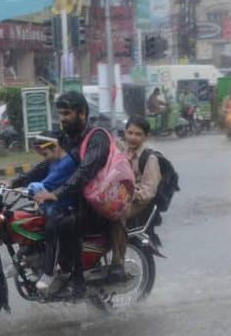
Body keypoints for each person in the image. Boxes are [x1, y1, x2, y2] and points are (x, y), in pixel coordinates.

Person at [25, 91, 114, 295]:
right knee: (32, 217)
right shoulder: (67, 138)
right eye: (60, 114)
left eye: (67, 114)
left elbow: (84, 172)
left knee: (60, 222)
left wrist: (56, 193)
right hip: (74, 199)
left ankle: (76, 278)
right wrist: (17, 181)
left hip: (95, 204)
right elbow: (47, 164)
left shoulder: (97, 138)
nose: (62, 119)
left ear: (82, 113)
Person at [21, 138, 79, 294]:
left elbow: (45, 184)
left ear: (56, 147)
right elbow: (33, 175)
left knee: (52, 227)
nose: (44, 158)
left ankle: (49, 272)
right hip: (51, 205)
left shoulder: (67, 163)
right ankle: (29, 259)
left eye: (45, 153)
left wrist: (28, 189)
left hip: (66, 207)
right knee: (26, 219)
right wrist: (13, 183)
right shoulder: (52, 161)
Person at [110, 117, 160, 273]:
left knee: (116, 215)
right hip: (116, 196)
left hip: (137, 201)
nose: (133, 137)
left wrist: (129, 194)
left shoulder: (150, 158)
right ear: (125, 133)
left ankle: (118, 261)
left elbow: (148, 191)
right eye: (130, 133)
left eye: (138, 134)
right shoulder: (120, 152)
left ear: (145, 137)